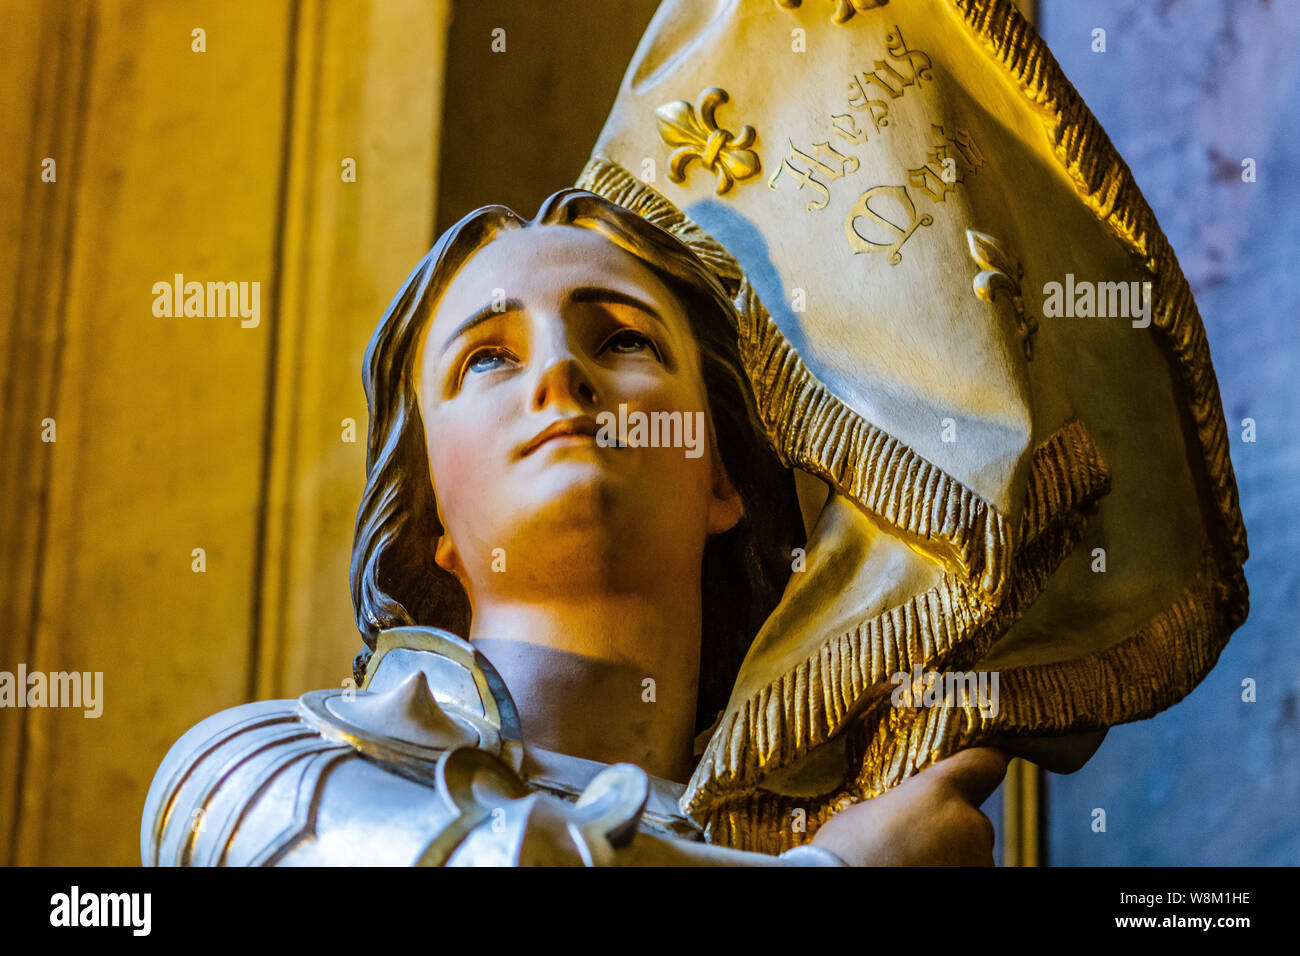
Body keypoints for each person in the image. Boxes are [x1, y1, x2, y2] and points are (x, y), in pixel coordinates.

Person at [142, 188, 1008, 866]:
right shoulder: (265, 771)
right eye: (489, 356)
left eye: (625, 341)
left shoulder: (833, 828)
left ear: (721, 479)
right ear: (433, 512)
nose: (559, 367)